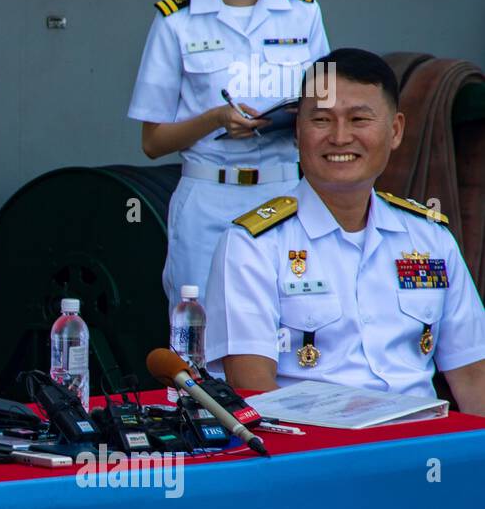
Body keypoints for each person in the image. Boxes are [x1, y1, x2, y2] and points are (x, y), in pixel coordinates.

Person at [204, 49, 485, 411]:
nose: (339, 137)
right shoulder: (252, 246)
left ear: (396, 130)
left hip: (423, 447)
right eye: (321, 120)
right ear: (296, 131)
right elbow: (253, 387)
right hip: (320, 452)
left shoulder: (430, 240)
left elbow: (474, 375)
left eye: (358, 119)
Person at [127, 0, 331, 309]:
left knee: (292, 326)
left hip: (284, 194)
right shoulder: (175, 20)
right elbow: (152, 142)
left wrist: (294, 120)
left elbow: (328, 107)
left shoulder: (303, 12)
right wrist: (216, 119)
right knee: (201, 333)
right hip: (208, 196)